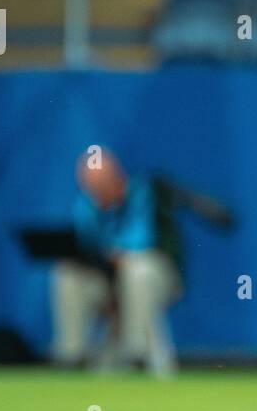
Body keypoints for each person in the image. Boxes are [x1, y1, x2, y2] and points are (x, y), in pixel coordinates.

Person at [52, 149, 183, 375]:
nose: (96, 193)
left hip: (155, 277)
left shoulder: (143, 193)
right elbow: (86, 244)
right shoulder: (85, 205)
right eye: (90, 188)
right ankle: (72, 356)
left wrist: (116, 255)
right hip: (107, 279)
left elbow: (141, 241)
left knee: (136, 267)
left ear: (116, 177)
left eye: (101, 186)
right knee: (66, 274)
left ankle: (136, 353)